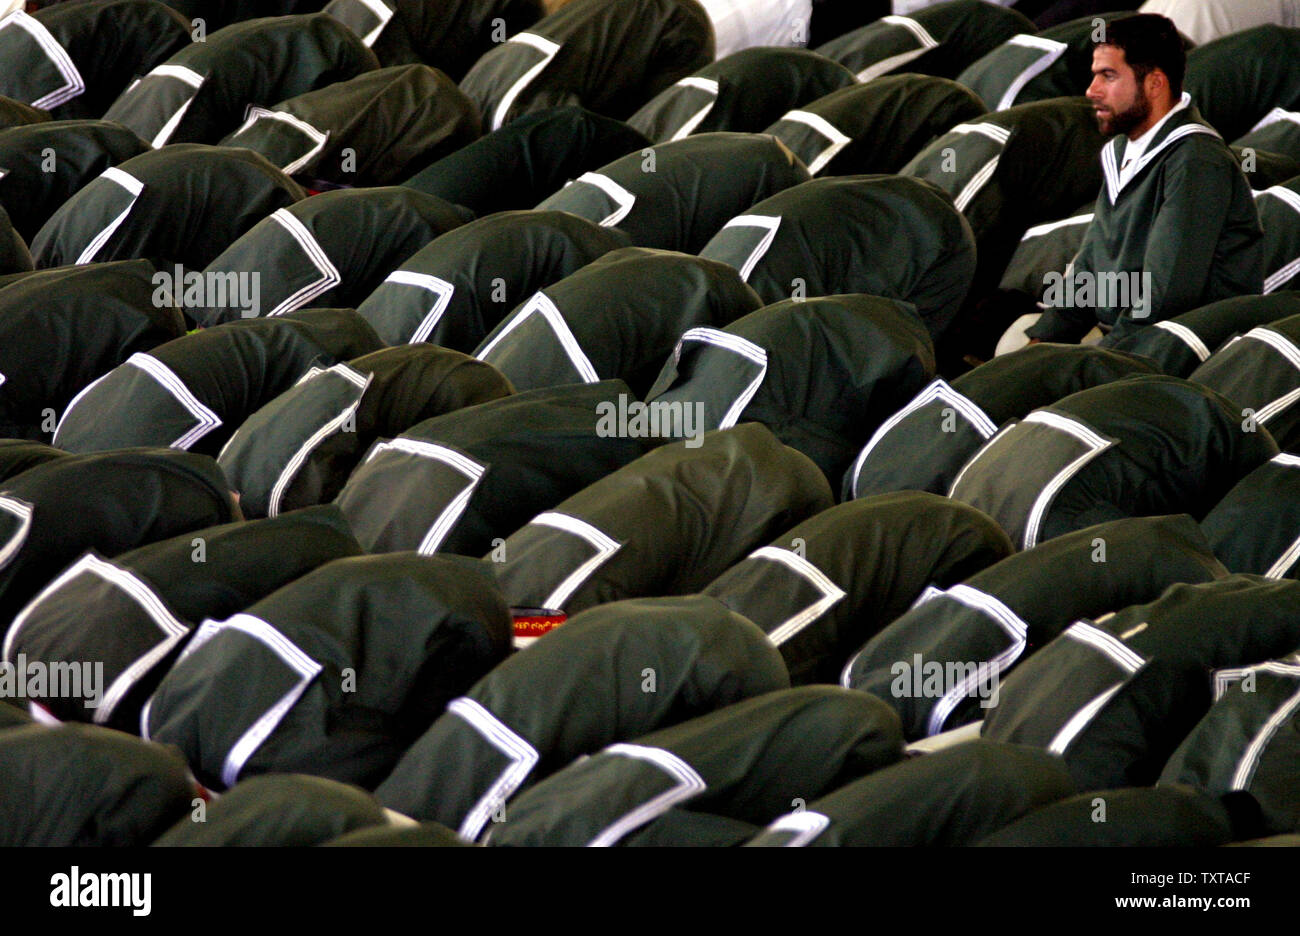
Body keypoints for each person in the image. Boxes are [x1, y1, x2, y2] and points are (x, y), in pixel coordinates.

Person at [1000, 14, 1263, 351]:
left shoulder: (1196, 160)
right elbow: (1092, 263)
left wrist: (1096, 361)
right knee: (1013, 349)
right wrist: (1045, 338)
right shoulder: (1124, 148)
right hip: (1128, 335)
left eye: (1107, 76)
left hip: (1181, 352)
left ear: (1154, 84)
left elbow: (1167, 295)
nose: (1091, 90)